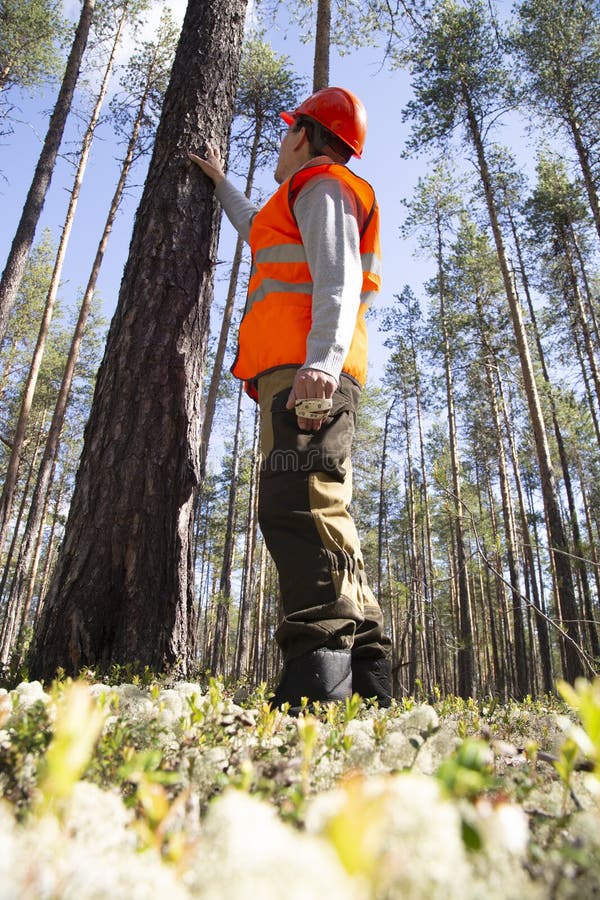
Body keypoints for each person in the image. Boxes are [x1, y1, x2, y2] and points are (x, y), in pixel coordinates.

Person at [189, 86, 392, 711]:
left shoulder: (324, 186)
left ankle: (317, 681)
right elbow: (258, 229)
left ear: (303, 135)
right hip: (301, 369)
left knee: (296, 506)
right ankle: (368, 677)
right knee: (324, 508)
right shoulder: (297, 198)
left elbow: (338, 277)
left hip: (309, 371)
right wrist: (221, 182)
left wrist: (322, 362)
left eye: (285, 132)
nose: (280, 143)